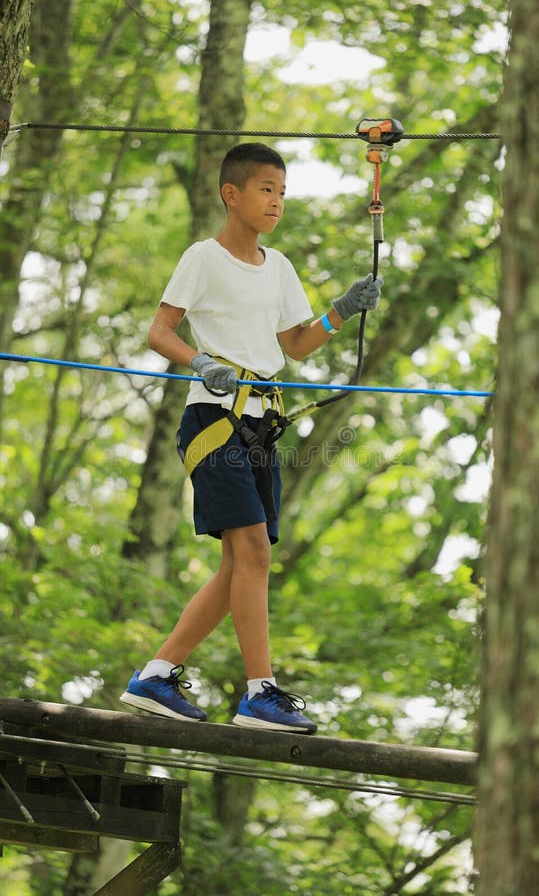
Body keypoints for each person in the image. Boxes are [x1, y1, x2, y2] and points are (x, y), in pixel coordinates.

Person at [120, 142, 382, 733]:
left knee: (239, 564)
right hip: (214, 416)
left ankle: (156, 675)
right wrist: (199, 361)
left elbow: (296, 343)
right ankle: (259, 693)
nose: (277, 202)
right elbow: (160, 331)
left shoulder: (281, 266)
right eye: (267, 189)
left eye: (283, 193)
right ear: (231, 194)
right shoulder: (204, 258)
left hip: (264, 421)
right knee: (256, 551)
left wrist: (342, 310)